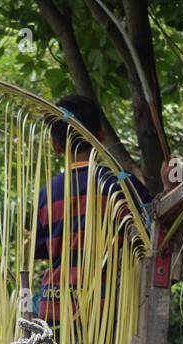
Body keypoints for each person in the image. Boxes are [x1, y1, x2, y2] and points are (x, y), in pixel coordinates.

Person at [33, 94, 151, 328]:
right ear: (100, 135)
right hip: (104, 313)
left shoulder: (47, 192)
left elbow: (40, 249)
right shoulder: (121, 183)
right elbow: (152, 229)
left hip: (54, 308)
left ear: (56, 145)